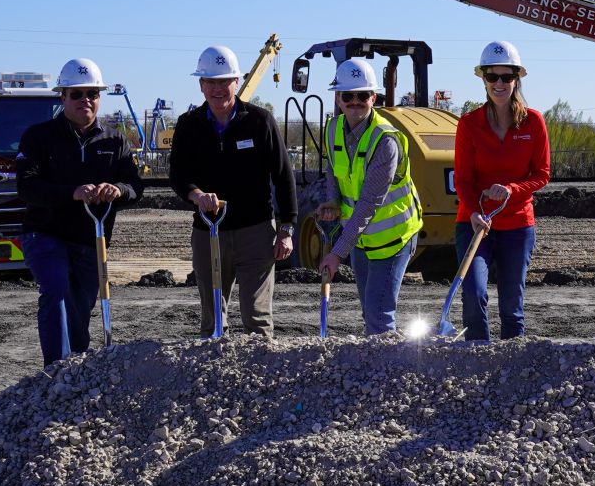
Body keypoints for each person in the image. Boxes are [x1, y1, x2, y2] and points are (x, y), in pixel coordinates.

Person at [14, 58, 142, 365]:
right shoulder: (38, 137)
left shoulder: (115, 140)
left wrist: (118, 191)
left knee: (80, 306)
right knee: (56, 291)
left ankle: (78, 369)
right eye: (77, 94)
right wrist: (71, 193)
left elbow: (135, 186)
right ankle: (57, 370)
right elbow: (27, 187)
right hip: (45, 234)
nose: (86, 100)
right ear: (63, 97)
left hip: (91, 239)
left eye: (93, 94)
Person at [169, 44, 298, 336]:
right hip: (208, 233)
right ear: (201, 85)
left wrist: (287, 228)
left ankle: (260, 376)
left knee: (257, 317)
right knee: (213, 318)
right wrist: (196, 195)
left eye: (225, 81)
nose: (218, 89)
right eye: (211, 82)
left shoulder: (259, 121)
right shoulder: (189, 126)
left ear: (237, 82)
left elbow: (283, 176)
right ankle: (214, 376)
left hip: (256, 232)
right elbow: (178, 175)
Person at [452, 39, 551, 341]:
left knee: (511, 306)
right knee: (474, 295)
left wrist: (512, 189)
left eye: (506, 77)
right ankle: (478, 361)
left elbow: (542, 174)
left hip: (518, 225)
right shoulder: (469, 124)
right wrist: (473, 213)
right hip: (474, 224)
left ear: (516, 79)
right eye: (491, 76)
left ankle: (513, 372)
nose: (499, 83)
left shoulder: (533, 122)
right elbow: (463, 180)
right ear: (482, 79)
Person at [315, 57, 422, 335]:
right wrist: (333, 200)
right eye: (348, 95)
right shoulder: (333, 129)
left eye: (362, 95)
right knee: (370, 312)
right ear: (338, 98)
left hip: (393, 237)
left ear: (373, 97)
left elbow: (369, 203)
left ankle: (391, 375)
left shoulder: (385, 140)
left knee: (378, 314)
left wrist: (337, 253)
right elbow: (333, 170)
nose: (355, 102)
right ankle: (378, 367)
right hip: (362, 239)